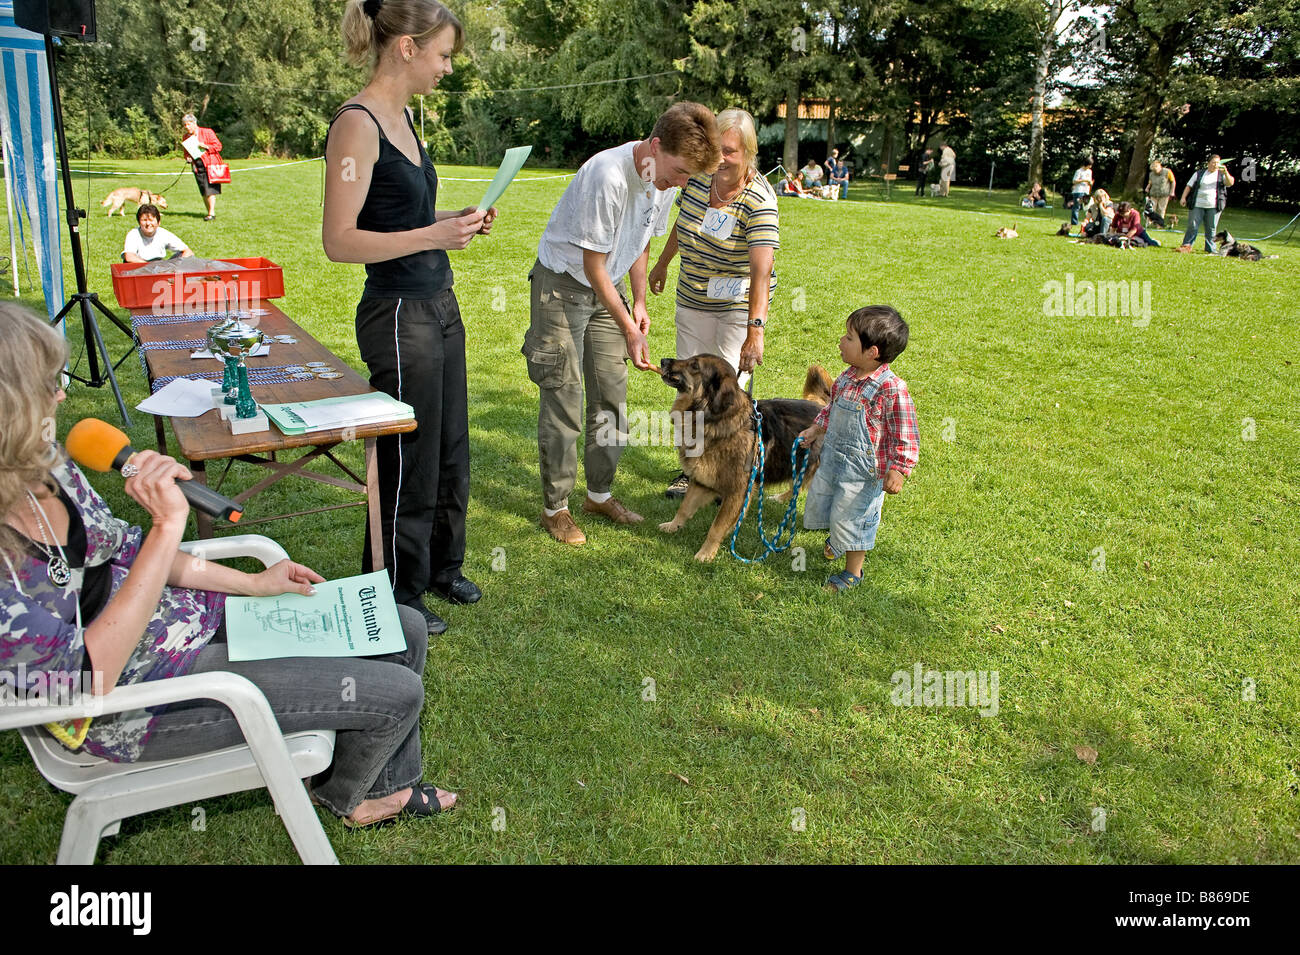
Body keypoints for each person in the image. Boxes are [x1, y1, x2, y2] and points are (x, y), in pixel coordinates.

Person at [0, 303, 453, 828]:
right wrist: (167, 527)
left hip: (185, 625)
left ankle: (369, 783)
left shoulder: (46, 466)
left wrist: (254, 584)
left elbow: (124, 550)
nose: (61, 395)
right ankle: (353, 798)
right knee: (398, 694)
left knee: (404, 627)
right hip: (136, 701)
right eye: (46, 386)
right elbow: (85, 681)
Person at [322, 0, 496, 635]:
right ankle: (395, 588)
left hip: (439, 303)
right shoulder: (357, 125)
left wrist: (453, 224)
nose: (448, 68)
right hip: (398, 312)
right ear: (406, 48)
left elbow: (405, 215)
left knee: (451, 446)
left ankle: (441, 568)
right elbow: (339, 240)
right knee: (409, 454)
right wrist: (432, 234)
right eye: (443, 54)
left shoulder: (403, 118)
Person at [523, 102, 720, 546]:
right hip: (564, 287)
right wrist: (628, 326)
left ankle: (599, 495)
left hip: (607, 289)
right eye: (681, 171)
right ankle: (556, 508)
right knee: (565, 397)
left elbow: (640, 242)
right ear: (655, 146)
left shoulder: (664, 179)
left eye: (690, 176)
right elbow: (593, 265)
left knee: (611, 397)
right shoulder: (607, 175)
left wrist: (638, 303)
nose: (682, 183)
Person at [649, 107, 779, 497]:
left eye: (730, 151)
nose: (721, 159)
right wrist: (662, 263)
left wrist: (754, 332)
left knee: (727, 391)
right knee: (689, 388)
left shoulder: (759, 200)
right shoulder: (698, 177)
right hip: (693, 296)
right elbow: (683, 222)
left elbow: (760, 271)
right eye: (716, 149)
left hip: (736, 305)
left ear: (748, 153)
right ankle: (691, 469)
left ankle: (728, 470)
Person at [798, 305, 918, 593]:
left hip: (863, 472)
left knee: (855, 517)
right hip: (834, 460)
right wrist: (816, 429)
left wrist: (899, 469)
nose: (841, 341)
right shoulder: (847, 377)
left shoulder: (891, 389)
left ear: (871, 352)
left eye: (849, 338)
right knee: (830, 502)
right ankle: (838, 538)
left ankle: (853, 571)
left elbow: (906, 434)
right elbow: (832, 410)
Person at [1180, 154, 1235, 253]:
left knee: (1211, 228)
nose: (1215, 165)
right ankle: (1186, 246)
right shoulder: (1199, 173)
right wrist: (1183, 198)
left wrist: (1226, 173)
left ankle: (1210, 249)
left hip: (1214, 206)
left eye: (1217, 163)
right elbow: (1189, 186)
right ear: (1208, 163)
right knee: (1192, 226)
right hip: (1197, 204)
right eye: (1213, 162)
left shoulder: (1221, 174)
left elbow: (1230, 183)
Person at [181, 114, 223, 221]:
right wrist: (187, 158)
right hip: (197, 166)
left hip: (210, 165)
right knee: (203, 190)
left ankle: (211, 213)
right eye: (185, 125)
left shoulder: (207, 132)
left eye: (189, 125)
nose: (187, 127)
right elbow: (186, 153)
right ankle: (209, 212)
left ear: (194, 123)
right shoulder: (186, 137)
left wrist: (206, 146)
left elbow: (218, 146)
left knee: (210, 190)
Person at [122, 204, 192, 263]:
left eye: (151, 220)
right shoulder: (133, 234)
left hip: (158, 266)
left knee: (183, 256)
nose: (148, 223)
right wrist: (149, 267)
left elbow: (188, 252)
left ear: (158, 222)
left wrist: (173, 268)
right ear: (139, 222)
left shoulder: (163, 233)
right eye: (144, 220)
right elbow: (129, 257)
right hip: (139, 268)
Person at [1145, 160, 1176, 227]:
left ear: (1159, 167)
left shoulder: (1167, 172)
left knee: (1161, 209)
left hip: (1164, 194)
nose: (1154, 172)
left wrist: (1172, 191)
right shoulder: (1151, 174)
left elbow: (1173, 182)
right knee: (1151, 208)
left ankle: (1159, 224)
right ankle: (1148, 223)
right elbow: (1150, 182)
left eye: (1155, 170)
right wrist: (1147, 188)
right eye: (1153, 170)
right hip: (1153, 194)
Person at [1069, 157, 1094, 225]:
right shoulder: (1079, 171)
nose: (1090, 166)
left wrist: (1090, 183)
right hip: (1078, 191)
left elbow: (1089, 181)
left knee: (1088, 207)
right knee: (1076, 207)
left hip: (1086, 191)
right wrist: (1084, 180)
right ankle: (1074, 222)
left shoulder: (1089, 171)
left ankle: (1088, 221)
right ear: (1086, 164)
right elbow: (1074, 181)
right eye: (1090, 165)